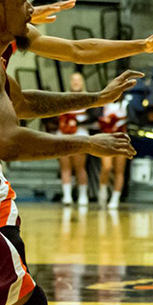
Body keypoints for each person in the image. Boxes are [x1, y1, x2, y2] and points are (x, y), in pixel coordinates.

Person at [0, 0, 138, 305]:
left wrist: (96, 99)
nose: (31, 9)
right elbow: (10, 142)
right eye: (23, 0)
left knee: (20, 289)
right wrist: (85, 143)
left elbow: (23, 103)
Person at [56, 72, 93, 206]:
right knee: (65, 167)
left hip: (80, 135)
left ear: (82, 82)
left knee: (80, 167)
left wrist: (77, 122)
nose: (76, 82)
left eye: (78, 80)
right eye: (73, 80)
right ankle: (67, 196)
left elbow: (93, 117)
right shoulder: (63, 98)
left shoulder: (88, 98)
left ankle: (83, 195)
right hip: (63, 135)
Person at [97, 95, 129, 209]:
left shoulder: (126, 104)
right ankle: (103, 190)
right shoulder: (103, 105)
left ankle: (115, 198)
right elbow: (96, 119)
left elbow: (134, 119)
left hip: (121, 140)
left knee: (119, 170)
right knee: (107, 166)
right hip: (106, 139)